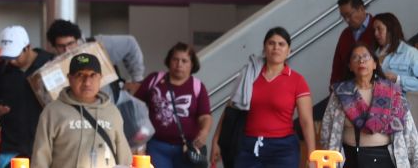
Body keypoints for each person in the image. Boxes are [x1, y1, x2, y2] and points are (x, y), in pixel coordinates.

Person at [209, 27, 315, 168]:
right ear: (264, 49)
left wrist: (312, 154)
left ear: (289, 51)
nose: (276, 47)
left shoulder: (297, 80)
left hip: (283, 149)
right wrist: (216, 140)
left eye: (281, 44)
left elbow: (306, 121)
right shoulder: (249, 76)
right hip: (248, 147)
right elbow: (230, 110)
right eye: (271, 43)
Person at [320, 43, 418, 168]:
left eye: (366, 57)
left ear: (375, 64)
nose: (361, 61)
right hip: (350, 158)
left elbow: (409, 131)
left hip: (385, 159)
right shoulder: (340, 93)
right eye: (355, 57)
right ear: (350, 66)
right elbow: (326, 130)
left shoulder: (392, 92)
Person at [31, 52, 132, 168]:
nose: (87, 82)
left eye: (93, 75)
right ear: (69, 78)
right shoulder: (52, 112)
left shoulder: (112, 112)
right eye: (80, 75)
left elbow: (123, 157)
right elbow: (40, 158)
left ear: (101, 78)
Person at [0, 25, 53, 168]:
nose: (11, 61)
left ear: (28, 47)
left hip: (47, 148)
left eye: (15, 56)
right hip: (13, 150)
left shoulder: (50, 64)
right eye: (7, 57)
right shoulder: (0, 70)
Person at [136, 43, 211, 168]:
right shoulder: (154, 80)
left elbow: (205, 116)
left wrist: (204, 131)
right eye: (175, 59)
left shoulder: (197, 87)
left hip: (187, 149)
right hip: (157, 146)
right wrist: (138, 142)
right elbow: (134, 107)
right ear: (169, 61)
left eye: (184, 61)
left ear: (192, 64)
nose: (179, 64)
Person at [46, 19, 145, 94]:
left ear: (78, 40)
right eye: (61, 46)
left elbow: (130, 44)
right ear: (54, 46)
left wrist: (137, 80)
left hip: (112, 105)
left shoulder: (97, 45)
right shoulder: (53, 67)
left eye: (70, 44)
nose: (66, 50)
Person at [332, 0, 378, 89]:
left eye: (349, 15)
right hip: (349, 91)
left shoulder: (377, 27)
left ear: (361, 9)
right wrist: (334, 88)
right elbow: (337, 66)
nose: (347, 20)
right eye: (343, 17)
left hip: (375, 87)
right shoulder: (345, 34)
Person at [372, 13, 418, 93]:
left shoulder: (410, 53)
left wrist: (398, 79)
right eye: (374, 30)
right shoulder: (372, 54)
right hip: (378, 102)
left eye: (379, 29)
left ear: (390, 30)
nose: (375, 33)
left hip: (403, 102)